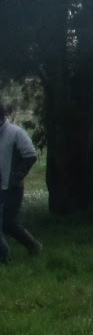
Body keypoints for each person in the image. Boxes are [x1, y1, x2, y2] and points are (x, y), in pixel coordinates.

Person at [0, 100, 42, 262]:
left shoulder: (15, 132)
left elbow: (30, 155)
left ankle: (33, 246)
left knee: (7, 222)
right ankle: (5, 257)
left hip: (12, 187)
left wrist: (16, 175)